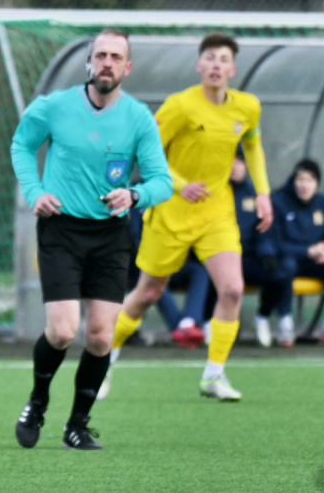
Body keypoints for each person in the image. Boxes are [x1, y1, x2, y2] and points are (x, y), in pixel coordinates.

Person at [10, 29, 172, 449]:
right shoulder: (54, 107)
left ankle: (77, 425)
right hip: (61, 227)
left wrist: (135, 194)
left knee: (101, 336)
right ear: (89, 62)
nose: (107, 62)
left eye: (116, 56)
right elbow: (21, 146)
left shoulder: (138, 118)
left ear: (127, 67)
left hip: (110, 234)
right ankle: (37, 401)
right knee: (63, 332)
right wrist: (34, 192)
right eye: (100, 54)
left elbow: (162, 182)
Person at [111, 32, 273, 401]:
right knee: (147, 293)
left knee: (232, 288)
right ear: (199, 65)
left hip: (216, 213)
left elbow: (253, 146)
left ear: (233, 68)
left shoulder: (247, 107)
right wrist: (178, 184)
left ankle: (213, 375)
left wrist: (263, 193)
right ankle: (106, 357)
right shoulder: (179, 106)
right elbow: (146, 151)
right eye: (210, 58)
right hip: (170, 212)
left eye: (223, 59)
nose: (216, 65)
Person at [225, 155, 292, 347]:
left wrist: (266, 254)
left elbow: (264, 231)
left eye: (239, 161)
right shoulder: (216, 192)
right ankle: (207, 323)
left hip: (249, 258)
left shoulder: (256, 195)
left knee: (279, 273)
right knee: (218, 279)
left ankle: (262, 317)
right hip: (222, 255)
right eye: (231, 161)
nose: (234, 167)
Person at [268, 158, 324, 340]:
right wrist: (308, 251)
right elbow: (278, 245)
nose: (304, 185)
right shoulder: (280, 201)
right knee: (285, 266)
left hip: (317, 262)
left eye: (310, 180)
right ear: (294, 181)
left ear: (317, 183)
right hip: (291, 260)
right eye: (300, 179)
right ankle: (285, 322)